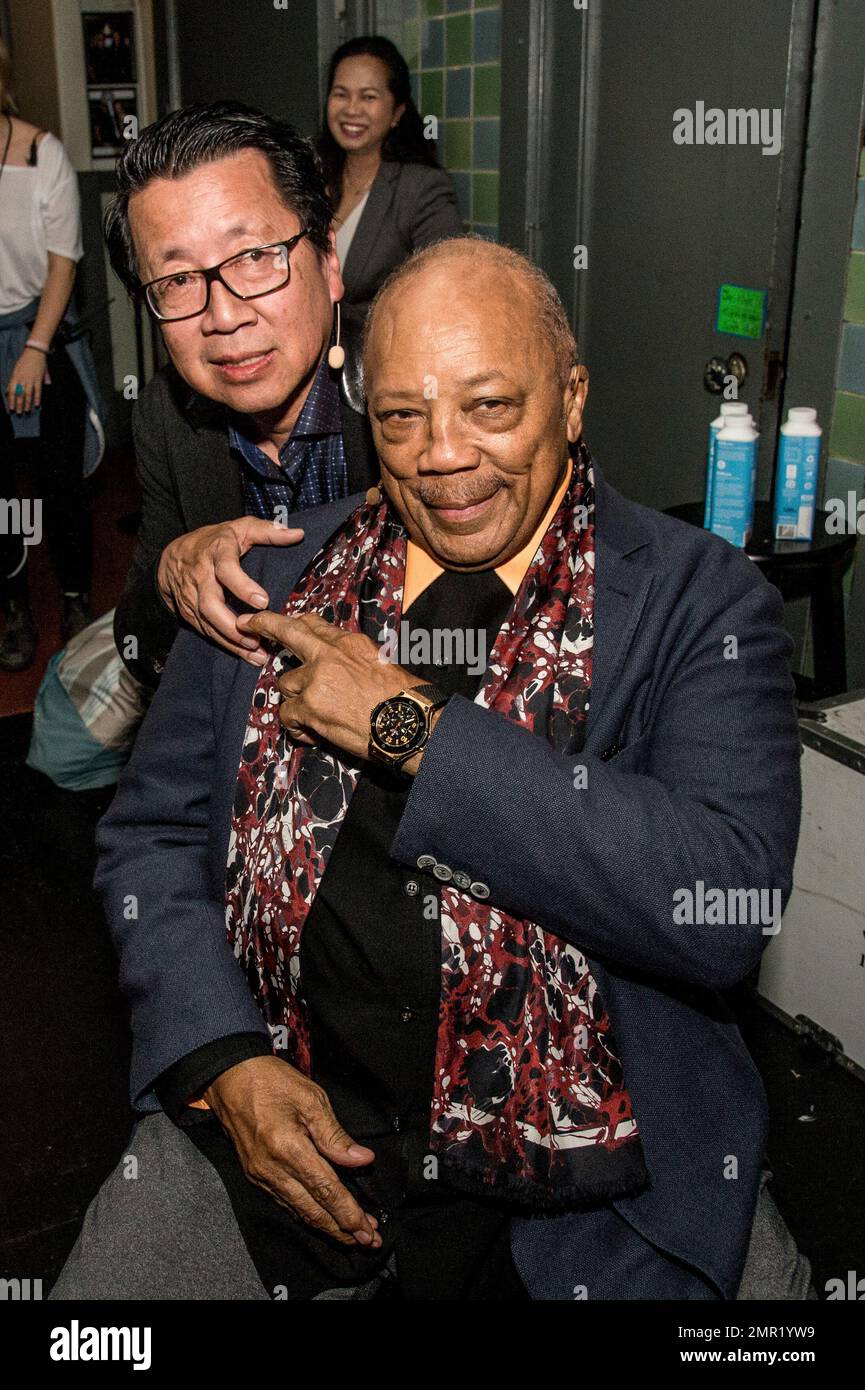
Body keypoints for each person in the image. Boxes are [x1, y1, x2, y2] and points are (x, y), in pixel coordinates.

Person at [50, 239, 814, 1301]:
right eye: (402, 416)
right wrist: (223, 1060)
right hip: (283, 1128)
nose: (442, 455)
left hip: (588, 1177)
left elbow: (719, 901)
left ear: (572, 399)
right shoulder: (273, 573)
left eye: (490, 408)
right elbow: (152, 839)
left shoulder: (699, 602)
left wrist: (411, 730)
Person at [105, 102, 379, 690]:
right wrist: (171, 577)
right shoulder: (166, 417)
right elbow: (138, 644)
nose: (223, 317)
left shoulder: (413, 387)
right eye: (177, 281)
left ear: (329, 259)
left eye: (254, 257)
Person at [0, 38, 102, 672]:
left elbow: (65, 260)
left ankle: (74, 597)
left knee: (59, 485)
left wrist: (36, 349)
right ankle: (12, 605)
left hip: (39, 337)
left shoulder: (44, 154)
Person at [318, 36, 463, 317]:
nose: (352, 109)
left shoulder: (421, 189)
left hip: (373, 356)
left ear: (397, 112)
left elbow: (447, 287)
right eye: (341, 94)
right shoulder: (309, 172)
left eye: (368, 96)